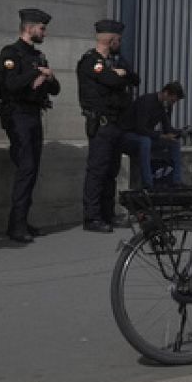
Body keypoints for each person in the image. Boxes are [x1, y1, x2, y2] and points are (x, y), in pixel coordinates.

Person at [0, 7, 61, 243]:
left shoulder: (38, 56)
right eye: (42, 28)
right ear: (29, 28)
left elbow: (55, 89)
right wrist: (35, 73)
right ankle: (16, 226)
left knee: (32, 170)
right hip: (18, 115)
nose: (44, 33)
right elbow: (10, 86)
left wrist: (49, 76)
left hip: (34, 115)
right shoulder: (11, 54)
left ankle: (22, 220)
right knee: (25, 168)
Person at [77, 19, 141, 231]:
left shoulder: (117, 61)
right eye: (118, 40)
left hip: (116, 124)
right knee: (97, 171)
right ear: (111, 39)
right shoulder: (90, 61)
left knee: (111, 171)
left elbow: (135, 78)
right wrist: (117, 76)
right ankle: (92, 217)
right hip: (101, 124)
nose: (120, 43)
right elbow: (112, 81)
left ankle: (108, 214)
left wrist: (120, 74)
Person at [127, 82, 187, 190]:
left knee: (174, 143)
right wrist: (161, 136)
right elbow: (140, 128)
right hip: (130, 135)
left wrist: (178, 133)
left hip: (147, 135)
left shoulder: (166, 107)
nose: (172, 104)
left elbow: (167, 128)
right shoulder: (146, 101)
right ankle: (148, 184)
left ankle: (176, 181)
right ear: (165, 93)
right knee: (145, 141)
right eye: (172, 100)